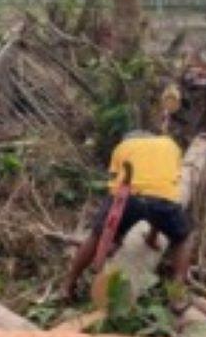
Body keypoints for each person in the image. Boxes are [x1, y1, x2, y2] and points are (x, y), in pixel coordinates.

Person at [61, 130, 194, 305]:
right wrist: (152, 237)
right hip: (162, 198)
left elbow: (118, 179)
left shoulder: (122, 147)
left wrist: (112, 234)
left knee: (96, 235)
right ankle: (177, 294)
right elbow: (164, 182)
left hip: (126, 197)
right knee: (182, 239)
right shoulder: (170, 145)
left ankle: (68, 284)